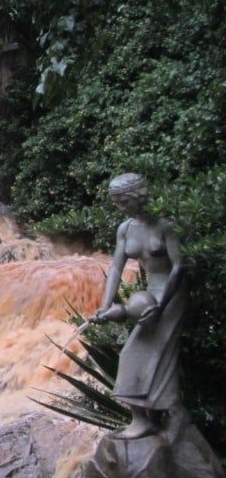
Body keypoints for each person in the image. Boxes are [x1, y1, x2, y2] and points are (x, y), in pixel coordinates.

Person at [89, 173, 187, 439]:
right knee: (135, 353)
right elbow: (117, 268)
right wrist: (105, 305)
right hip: (147, 296)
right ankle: (146, 419)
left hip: (170, 294)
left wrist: (162, 305)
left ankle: (152, 418)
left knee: (141, 352)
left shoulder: (165, 225)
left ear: (137, 197)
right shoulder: (125, 228)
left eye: (123, 202)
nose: (121, 209)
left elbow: (179, 266)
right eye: (117, 203)